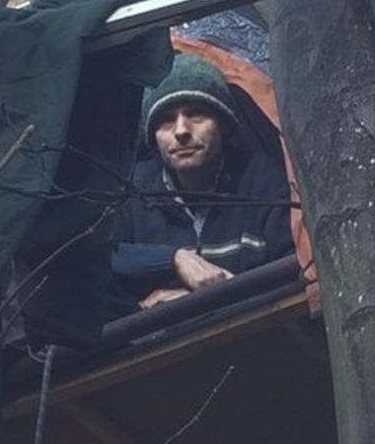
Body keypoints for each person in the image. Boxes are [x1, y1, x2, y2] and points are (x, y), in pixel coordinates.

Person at [112, 55, 295, 310]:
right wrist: (174, 260)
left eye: (196, 114)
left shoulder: (262, 181)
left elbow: (297, 276)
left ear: (224, 126)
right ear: (153, 138)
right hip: (166, 348)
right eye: (166, 120)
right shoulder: (133, 192)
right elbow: (95, 262)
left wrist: (198, 301)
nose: (181, 131)